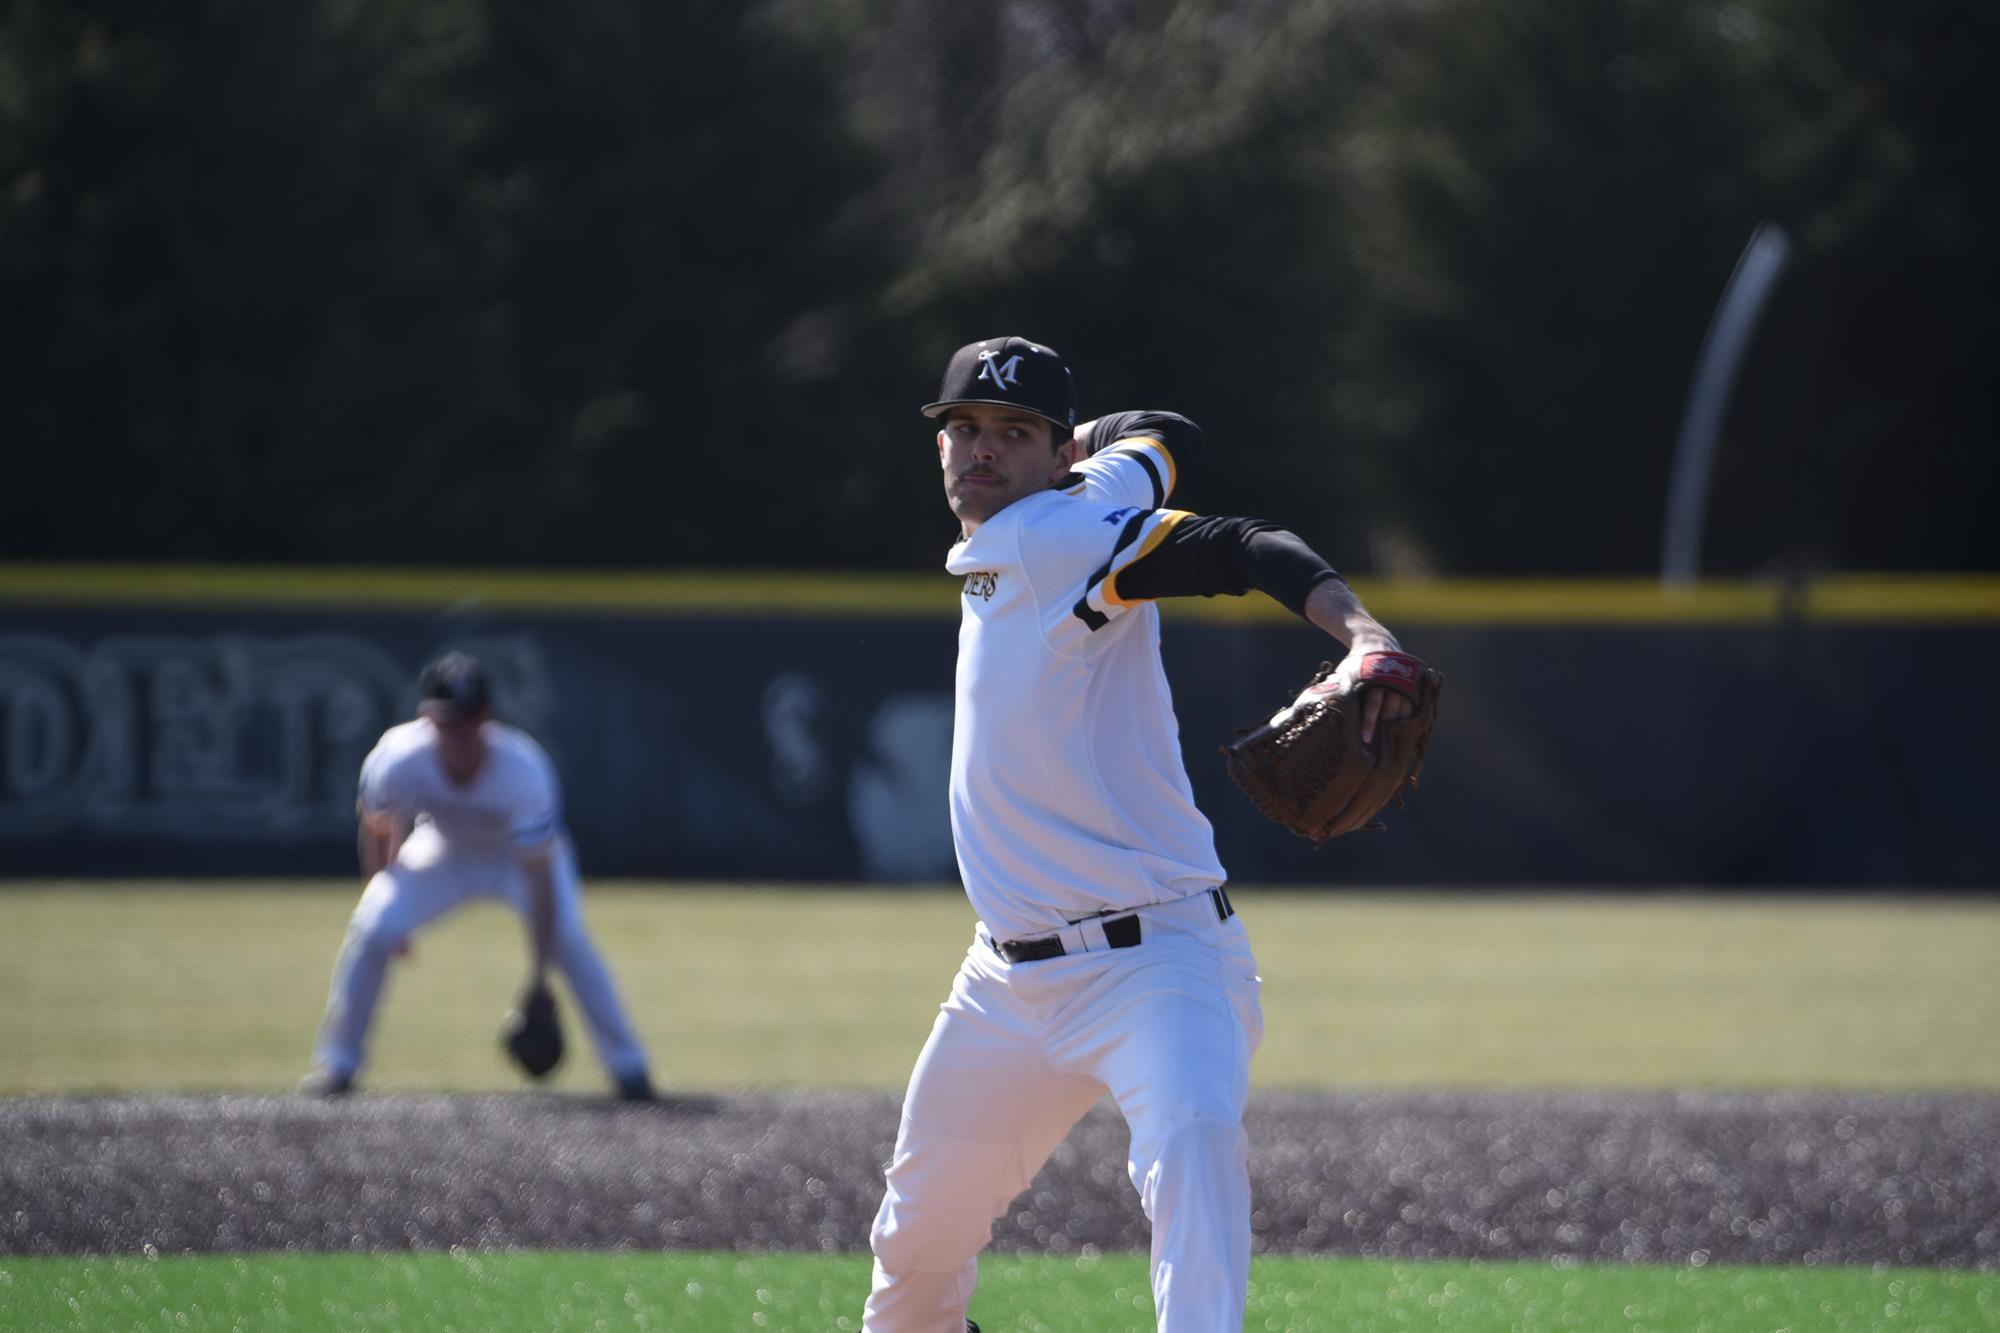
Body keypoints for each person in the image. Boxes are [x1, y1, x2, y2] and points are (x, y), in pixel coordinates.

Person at [862, 336, 1422, 1332]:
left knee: (1194, 1154)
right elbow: (1171, 435)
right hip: (1005, 984)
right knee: (911, 1262)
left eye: (1011, 433)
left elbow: (1236, 543)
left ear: (1051, 455)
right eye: (964, 428)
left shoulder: (1056, 537)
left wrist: (1361, 633)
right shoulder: (1085, 487)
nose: (981, 451)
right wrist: (1084, 442)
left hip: (1156, 965)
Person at [300, 652, 656, 1101]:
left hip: (520, 861)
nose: (457, 732)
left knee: (568, 937)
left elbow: (541, 879)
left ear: (486, 718)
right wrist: (385, 888)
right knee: (373, 927)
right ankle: (338, 1065)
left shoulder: (523, 769)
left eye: (466, 719)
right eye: (446, 720)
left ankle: (629, 1067)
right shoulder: (398, 757)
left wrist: (540, 979)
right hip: (442, 850)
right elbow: (377, 825)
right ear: (426, 717)